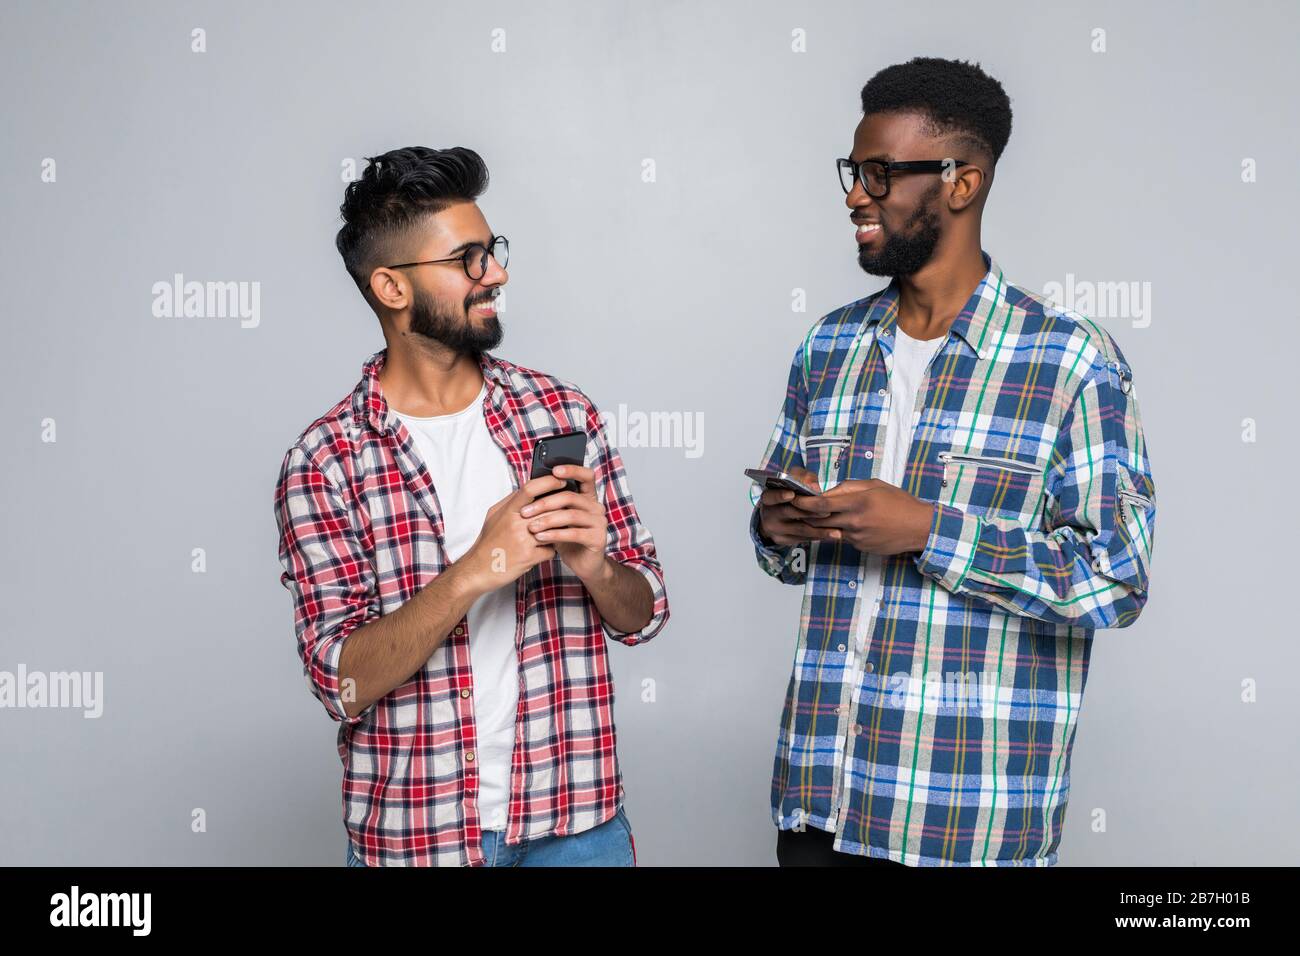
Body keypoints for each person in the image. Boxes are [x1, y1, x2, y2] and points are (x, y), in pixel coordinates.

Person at [751, 57, 1157, 866]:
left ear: (961, 183)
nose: (855, 195)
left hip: (963, 828)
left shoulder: (1071, 361)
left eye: (878, 174)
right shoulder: (827, 346)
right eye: (853, 171)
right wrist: (779, 524)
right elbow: (779, 551)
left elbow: (1116, 578)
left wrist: (928, 530)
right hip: (817, 810)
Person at [274, 146, 668, 867]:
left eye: (494, 252)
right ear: (392, 287)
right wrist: (476, 570)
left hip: (577, 829)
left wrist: (597, 566)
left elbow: (645, 614)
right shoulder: (327, 460)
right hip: (418, 839)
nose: (497, 274)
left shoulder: (560, 412)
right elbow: (342, 680)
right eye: (469, 259)